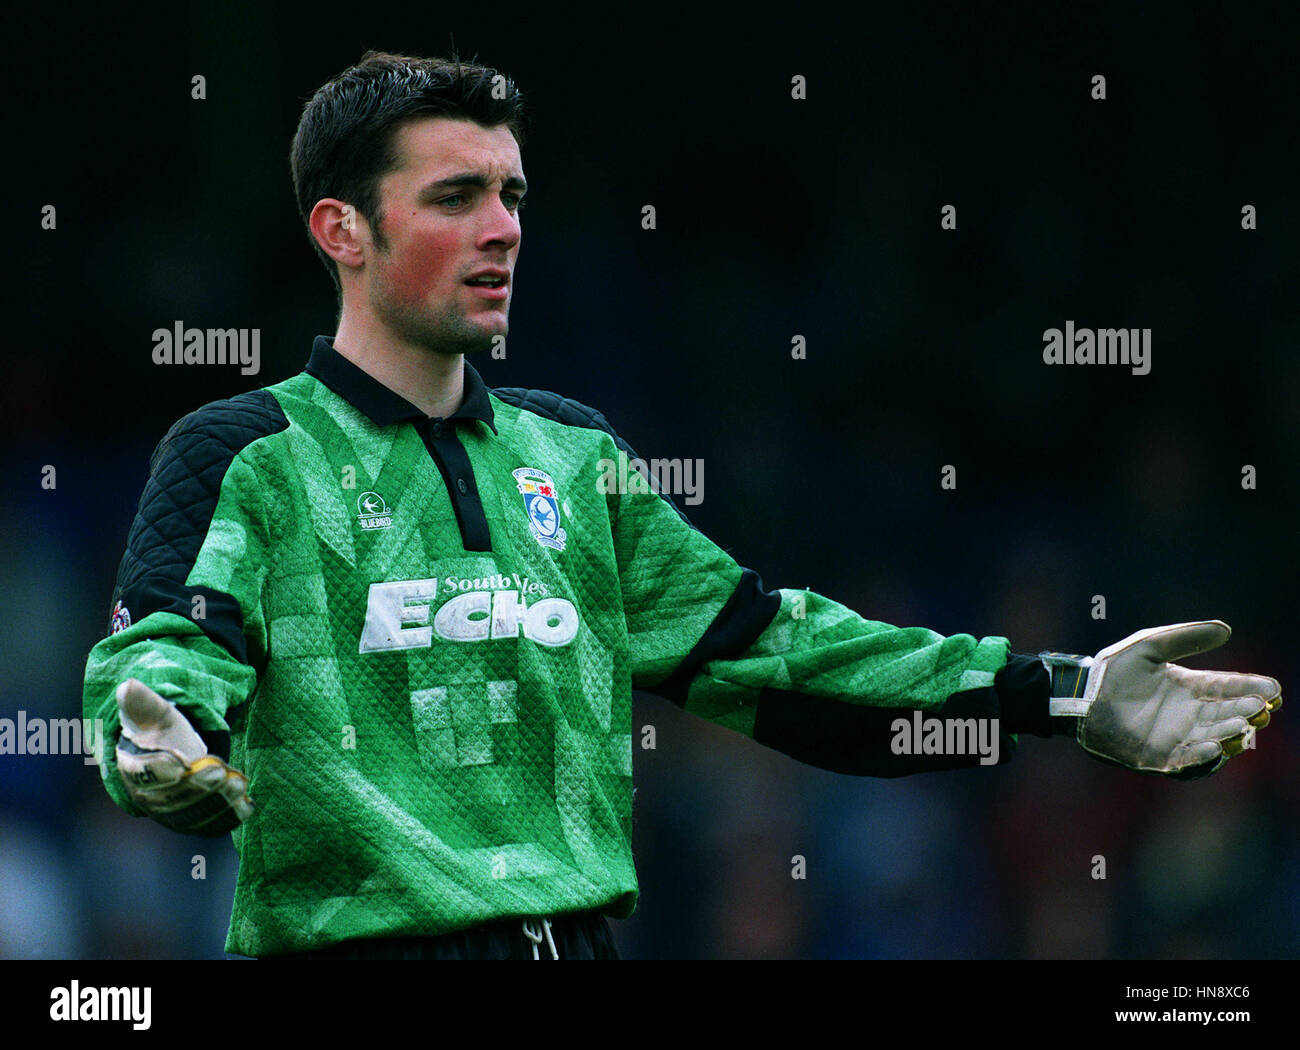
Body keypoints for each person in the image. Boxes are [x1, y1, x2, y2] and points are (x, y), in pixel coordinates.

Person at [82, 51, 1283, 961]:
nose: (502, 226)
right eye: (455, 196)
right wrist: (161, 745)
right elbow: (168, 658)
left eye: (511, 192)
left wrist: (1060, 692)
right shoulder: (246, 451)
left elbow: (773, 655)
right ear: (341, 229)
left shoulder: (574, 453)